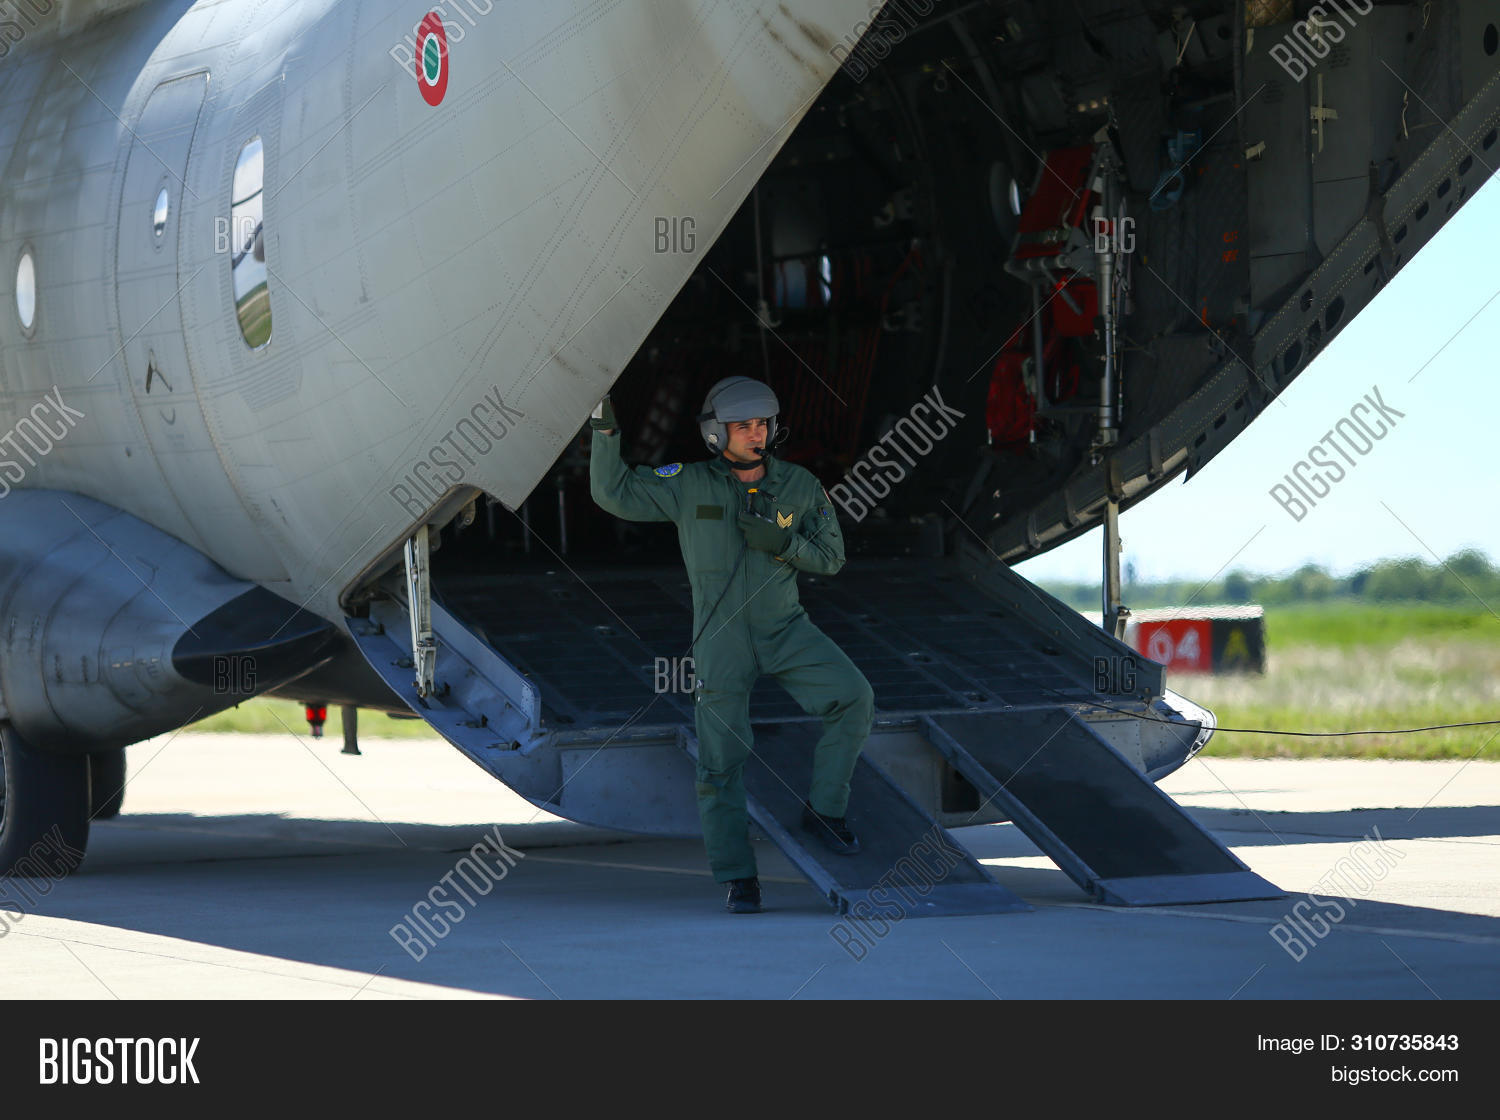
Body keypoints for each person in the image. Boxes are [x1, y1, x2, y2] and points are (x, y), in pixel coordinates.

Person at [589, 376, 875, 913]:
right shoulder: (688, 484)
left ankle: (825, 810)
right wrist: (604, 428)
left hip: (786, 629)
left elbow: (831, 558)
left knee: (853, 697)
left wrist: (785, 542)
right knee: (720, 762)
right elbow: (615, 493)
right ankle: (737, 874)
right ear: (716, 433)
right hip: (720, 640)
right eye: (742, 425)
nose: (754, 433)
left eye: (762, 424)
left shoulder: (799, 485)